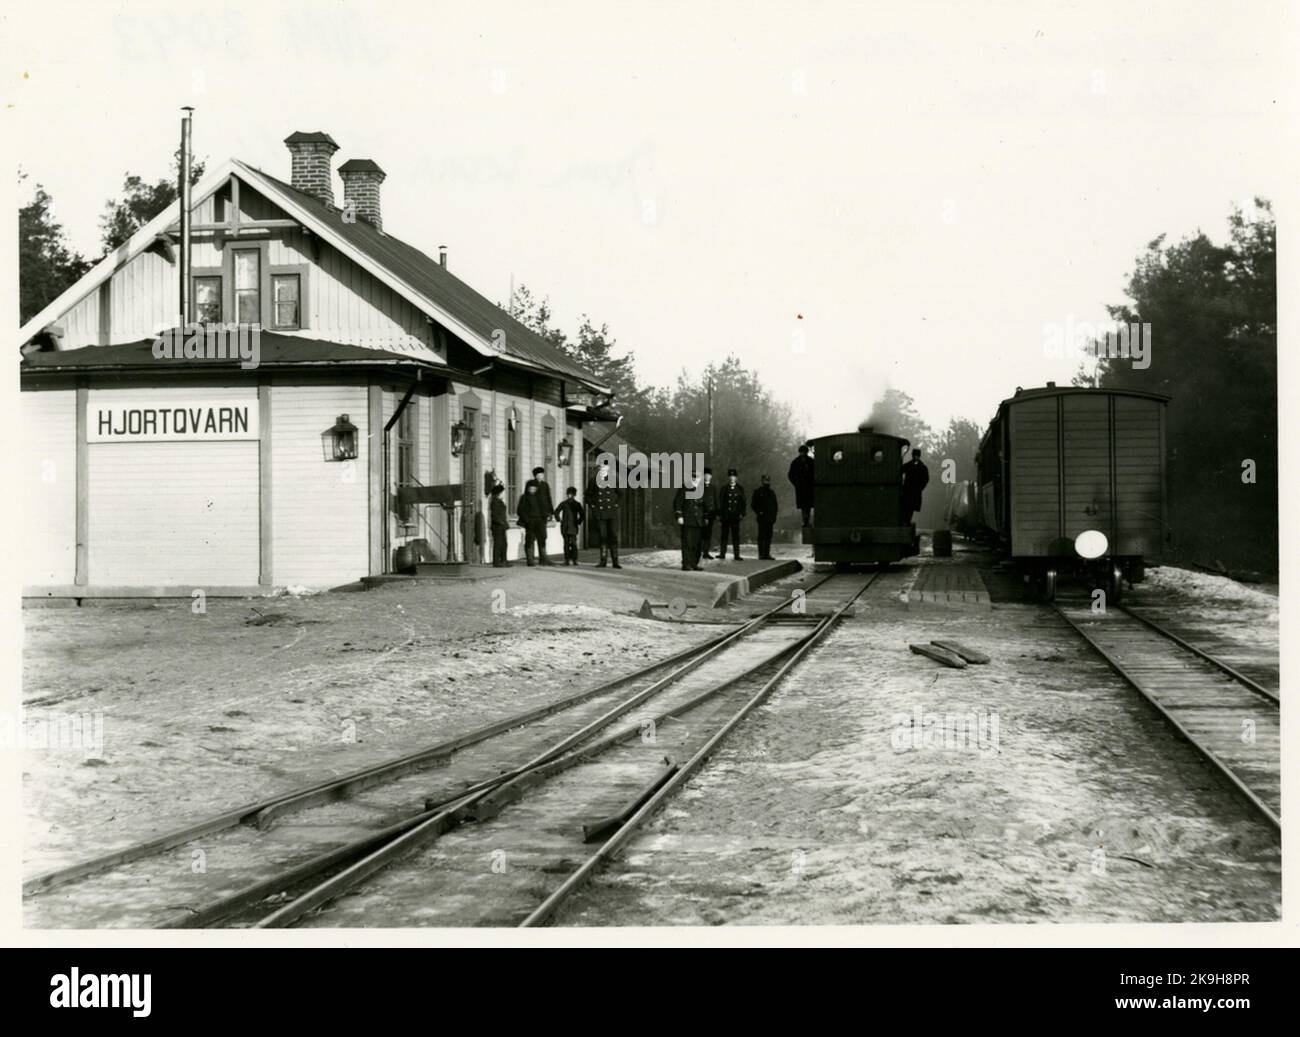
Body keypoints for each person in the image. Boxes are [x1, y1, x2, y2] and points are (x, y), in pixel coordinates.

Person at [586, 456, 622, 568]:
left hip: (611, 512)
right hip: (600, 513)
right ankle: (603, 560)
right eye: (601, 467)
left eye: (605, 467)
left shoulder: (614, 479)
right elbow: (588, 495)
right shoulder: (593, 480)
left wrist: (616, 505)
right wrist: (593, 506)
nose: (603, 469)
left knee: (613, 535)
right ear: (599, 468)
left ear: (608, 468)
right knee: (602, 536)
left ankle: (615, 561)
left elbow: (621, 494)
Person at [672, 473, 708, 570]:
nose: (695, 479)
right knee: (688, 543)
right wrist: (679, 516)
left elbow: (704, 505)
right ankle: (686, 564)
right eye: (693, 477)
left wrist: (705, 517)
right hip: (687, 520)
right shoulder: (684, 488)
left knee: (697, 544)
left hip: (698, 521)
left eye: (697, 477)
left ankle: (694, 563)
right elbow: (677, 503)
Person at [516, 480, 549, 566]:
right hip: (530, 521)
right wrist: (527, 520)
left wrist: (545, 517)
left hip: (540, 521)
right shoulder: (524, 498)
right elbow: (520, 510)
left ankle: (543, 559)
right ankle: (530, 560)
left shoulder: (539, 497)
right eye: (531, 488)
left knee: (542, 539)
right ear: (527, 488)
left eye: (534, 488)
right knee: (530, 540)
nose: (533, 490)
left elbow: (544, 508)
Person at [717, 468, 747, 561]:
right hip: (726, 516)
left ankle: (737, 555)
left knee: (735, 536)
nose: (732, 478)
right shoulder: (724, 488)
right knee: (724, 535)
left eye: (734, 477)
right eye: (730, 476)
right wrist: (719, 514)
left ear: (736, 478)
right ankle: (722, 554)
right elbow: (720, 502)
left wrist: (742, 513)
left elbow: (743, 502)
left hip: (735, 516)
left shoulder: (740, 488)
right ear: (728, 477)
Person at [530, 466, 555, 565]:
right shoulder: (531, 484)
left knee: (542, 536)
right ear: (535, 475)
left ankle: (543, 558)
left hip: (543, 515)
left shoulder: (545, 485)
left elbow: (548, 498)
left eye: (542, 474)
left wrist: (550, 512)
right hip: (533, 515)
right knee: (532, 536)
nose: (541, 476)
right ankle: (530, 559)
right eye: (539, 474)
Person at [554, 486, 584, 565]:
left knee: (574, 544)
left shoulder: (577, 504)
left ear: (574, 495)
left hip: (573, 527)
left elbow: (582, 514)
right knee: (566, 544)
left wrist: (578, 521)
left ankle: (575, 560)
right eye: (568, 494)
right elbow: (556, 511)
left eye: (571, 494)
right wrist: (559, 519)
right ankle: (567, 560)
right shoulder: (564, 503)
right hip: (565, 526)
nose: (569, 496)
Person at [751, 474, 778, 560]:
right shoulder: (758, 492)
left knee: (768, 536)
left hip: (770, 518)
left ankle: (767, 553)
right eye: (765, 480)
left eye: (768, 480)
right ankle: (761, 554)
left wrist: (774, 516)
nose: (767, 482)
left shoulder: (772, 493)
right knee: (761, 536)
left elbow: (775, 506)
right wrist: (759, 512)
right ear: (762, 481)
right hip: (762, 518)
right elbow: (753, 505)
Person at [788, 444, 815, 526]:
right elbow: (790, 475)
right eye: (802, 452)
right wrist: (796, 483)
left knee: (807, 506)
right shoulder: (796, 462)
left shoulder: (810, 461)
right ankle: (805, 521)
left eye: (804, 452)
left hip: (808, 487)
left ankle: (806, 521)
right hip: (802, 487)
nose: (803, 454)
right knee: (804, 506)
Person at [902, 447, 930, 521]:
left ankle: (907, 522)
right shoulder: (909, 465)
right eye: (914, 455)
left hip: (914, 492)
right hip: (907, 491)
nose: (915, 457)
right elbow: (901, 470)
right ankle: (906, 522)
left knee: (910, 508)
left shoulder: (923, 467)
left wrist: (919, 488)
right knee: (906, 508)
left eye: (917, 455)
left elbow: (926, 480)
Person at [488, 483, 510, 567]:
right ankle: (496, 562)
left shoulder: (499, 501)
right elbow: (495, 515)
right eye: (502, 493)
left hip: (502, 525)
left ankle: (503, 560)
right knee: (498, 544)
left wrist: (505, 523)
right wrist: (501, 522)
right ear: (498, 493)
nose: (503, 494)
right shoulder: (494, 502)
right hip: (497, 526)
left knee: (504, 543)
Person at [699, 467, 718, 559]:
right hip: (702, 514)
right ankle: (699, 551)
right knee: (701, 533)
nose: (707, 476)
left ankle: (706, 552)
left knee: (708, 533)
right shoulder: (700, 486)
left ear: (711, 476)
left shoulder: (713, 487)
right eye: (705, 475)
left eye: (709, 475)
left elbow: (715, 501)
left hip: (711, 514)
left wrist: (717, 513)